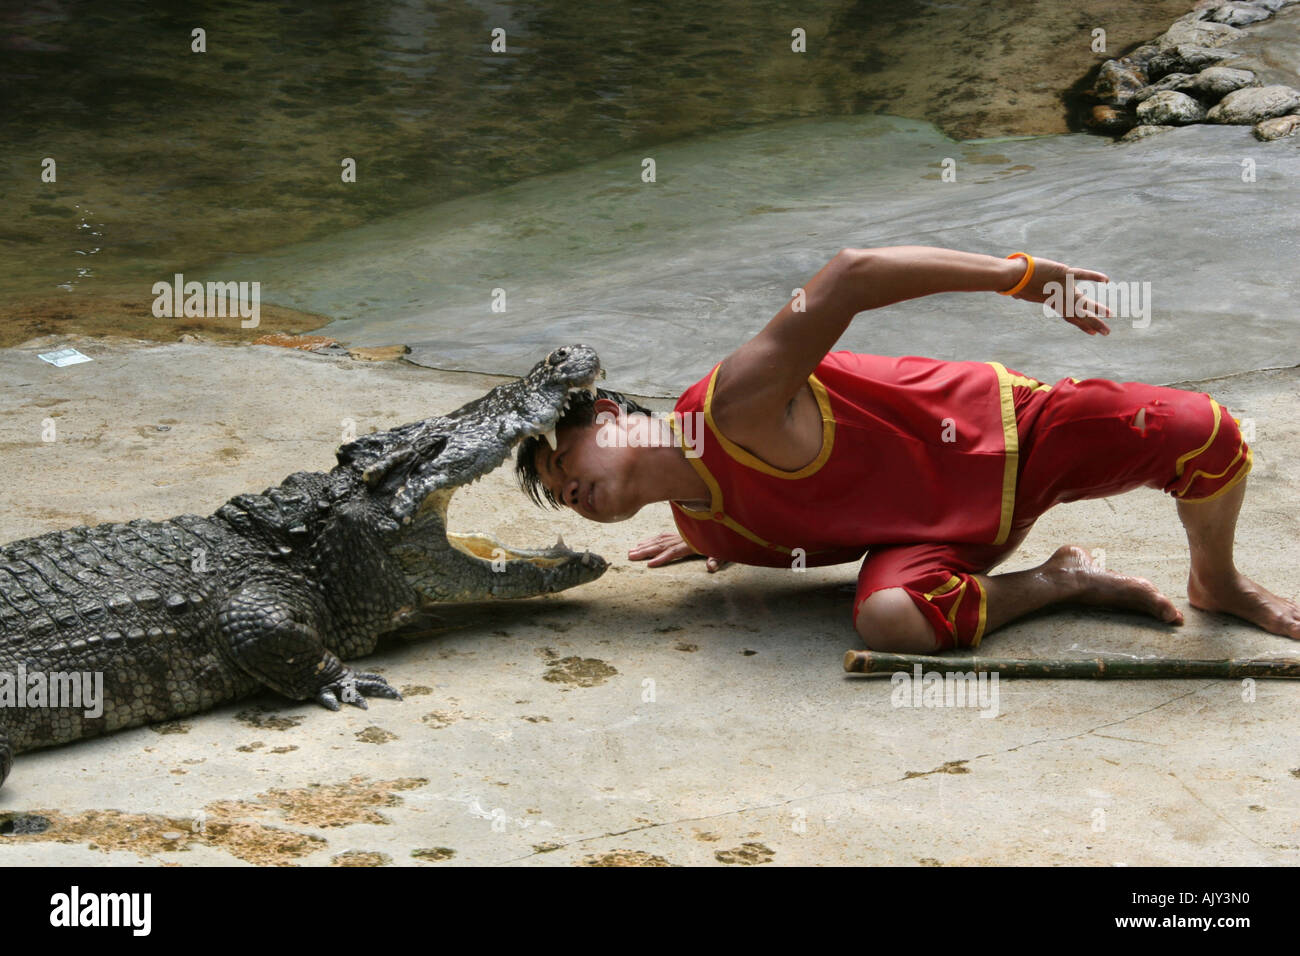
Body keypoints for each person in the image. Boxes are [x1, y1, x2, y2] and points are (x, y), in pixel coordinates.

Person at [514, 247, 1298, 652]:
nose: (566, 490)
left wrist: (1019, 276)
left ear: (610, 414)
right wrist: (704, 539)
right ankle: (1065, 581)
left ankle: (1216, 579)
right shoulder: (706, 529)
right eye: (554, 493)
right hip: (948, 539)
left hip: (1014, 436)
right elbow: (775, 512)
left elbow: (853, 275)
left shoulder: (731, 403)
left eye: (560, 462)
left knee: (1211, 433)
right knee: (889, 621)